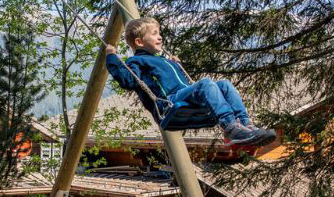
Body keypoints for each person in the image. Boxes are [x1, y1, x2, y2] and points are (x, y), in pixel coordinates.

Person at [105, 17, 276, 147]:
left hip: (183, 95)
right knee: (206, 83)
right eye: (154, 34)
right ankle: (230, 127)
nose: (160, 37)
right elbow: (128, 81)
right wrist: (112, 58)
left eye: (159, 33)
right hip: (168, 104)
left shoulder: (164, 60)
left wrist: (177, 66)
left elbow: (177, 81)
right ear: (139, 42)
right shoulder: (136, 62)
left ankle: (245, 125)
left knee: (224, 84)